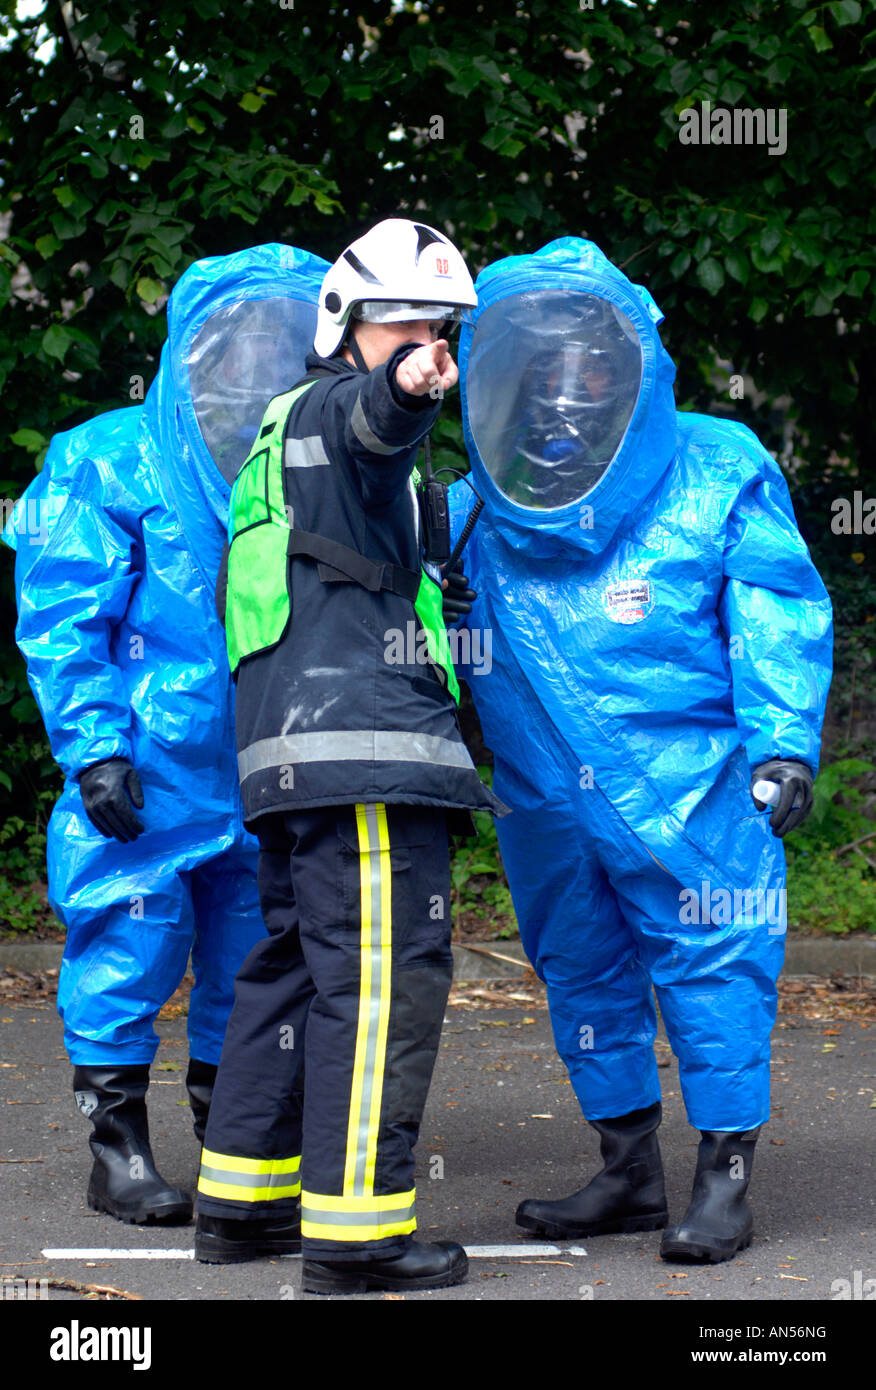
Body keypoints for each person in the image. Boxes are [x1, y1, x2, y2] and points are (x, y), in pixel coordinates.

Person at [448, 236, 833, 1264]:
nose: (571, 388)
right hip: (542, 796)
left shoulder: (716, 467)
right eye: (549, 367)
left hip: (694, 786)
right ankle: (624, 1168)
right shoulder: (474, 509)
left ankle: (723, 1175)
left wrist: (785, 741)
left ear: (634, 368)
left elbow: (774, 609)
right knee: (579, 968)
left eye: (594, 363)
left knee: (713, 962)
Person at [193, 217, 504, 1294]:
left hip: (292, 758)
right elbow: (378, 422)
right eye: (405, 328)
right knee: (379, 986)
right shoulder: (345, 408)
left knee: (294, 971)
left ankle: (242, 1205)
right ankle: (361, 1239)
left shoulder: (279, 433)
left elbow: (342, 557)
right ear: (346, 325)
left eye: (440, 332)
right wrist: (409, 390)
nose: (431, 349)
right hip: (363, 753)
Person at [2, 243, 329, 1224]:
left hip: (269, 755)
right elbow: (66, 616)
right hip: (150, 759)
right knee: (127, 939)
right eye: (237, 342)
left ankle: (236, 1141)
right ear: (194, 349)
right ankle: (120, 1151)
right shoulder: (103, 456)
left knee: (253, 947)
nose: (255, 362)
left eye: (277, 341)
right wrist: (96, 743)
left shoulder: (302, 456)